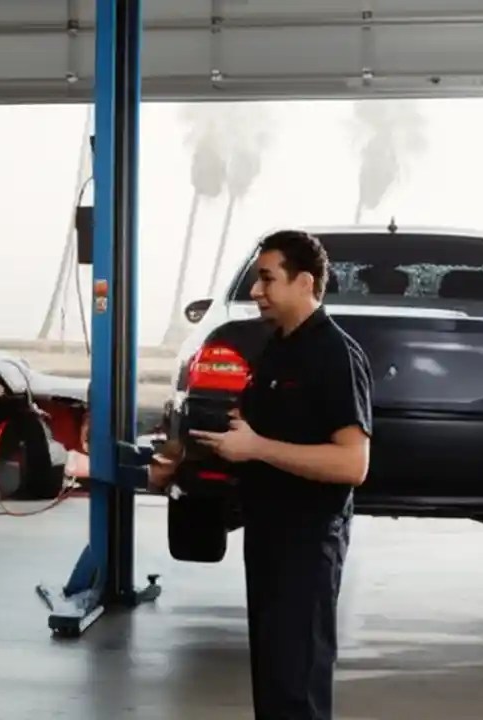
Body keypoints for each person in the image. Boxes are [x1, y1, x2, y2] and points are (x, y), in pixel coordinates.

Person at [154, 229, 373, 720]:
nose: (256, 291)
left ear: (305, 283)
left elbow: (352, 464)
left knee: (297, 683)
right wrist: (178, 454)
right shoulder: (277, 348)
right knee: (274, 679)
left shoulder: (334, 355)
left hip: (307, 541)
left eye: (267, 279)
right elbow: (249, 429)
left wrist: (256, 447)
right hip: (269, 533)